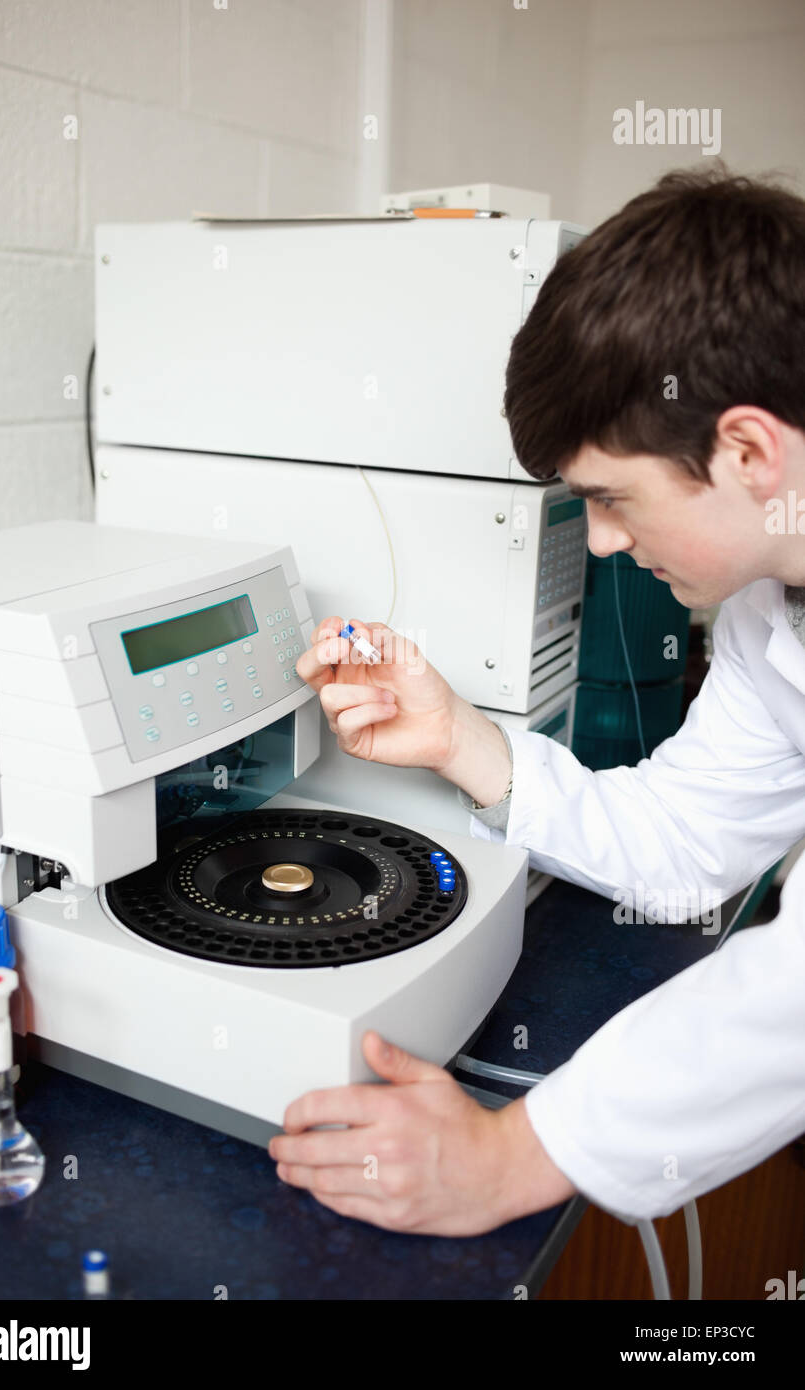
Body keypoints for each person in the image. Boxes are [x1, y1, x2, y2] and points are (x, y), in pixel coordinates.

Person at [267, 166, 805, 1237]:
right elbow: (685, 838)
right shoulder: (767, 610)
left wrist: (512, 1154)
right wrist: (466, 744)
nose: (600, 540)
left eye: (611, 498)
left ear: (746, 451)